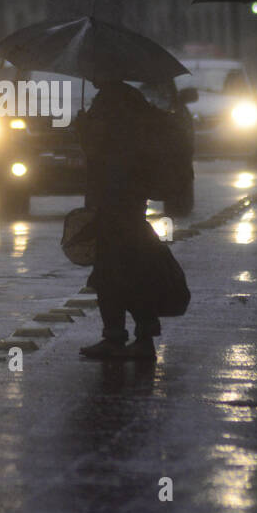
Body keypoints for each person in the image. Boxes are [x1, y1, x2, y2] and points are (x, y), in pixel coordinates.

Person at [77, 72, 190, 361]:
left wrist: (83, 130)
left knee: (112, 273)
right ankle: (139, 336)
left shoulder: (111, 102)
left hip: (116, 199)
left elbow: (104, 151)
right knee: (126, 270)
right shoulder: (130, 100)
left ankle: (122, 338)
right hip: (129, 199)